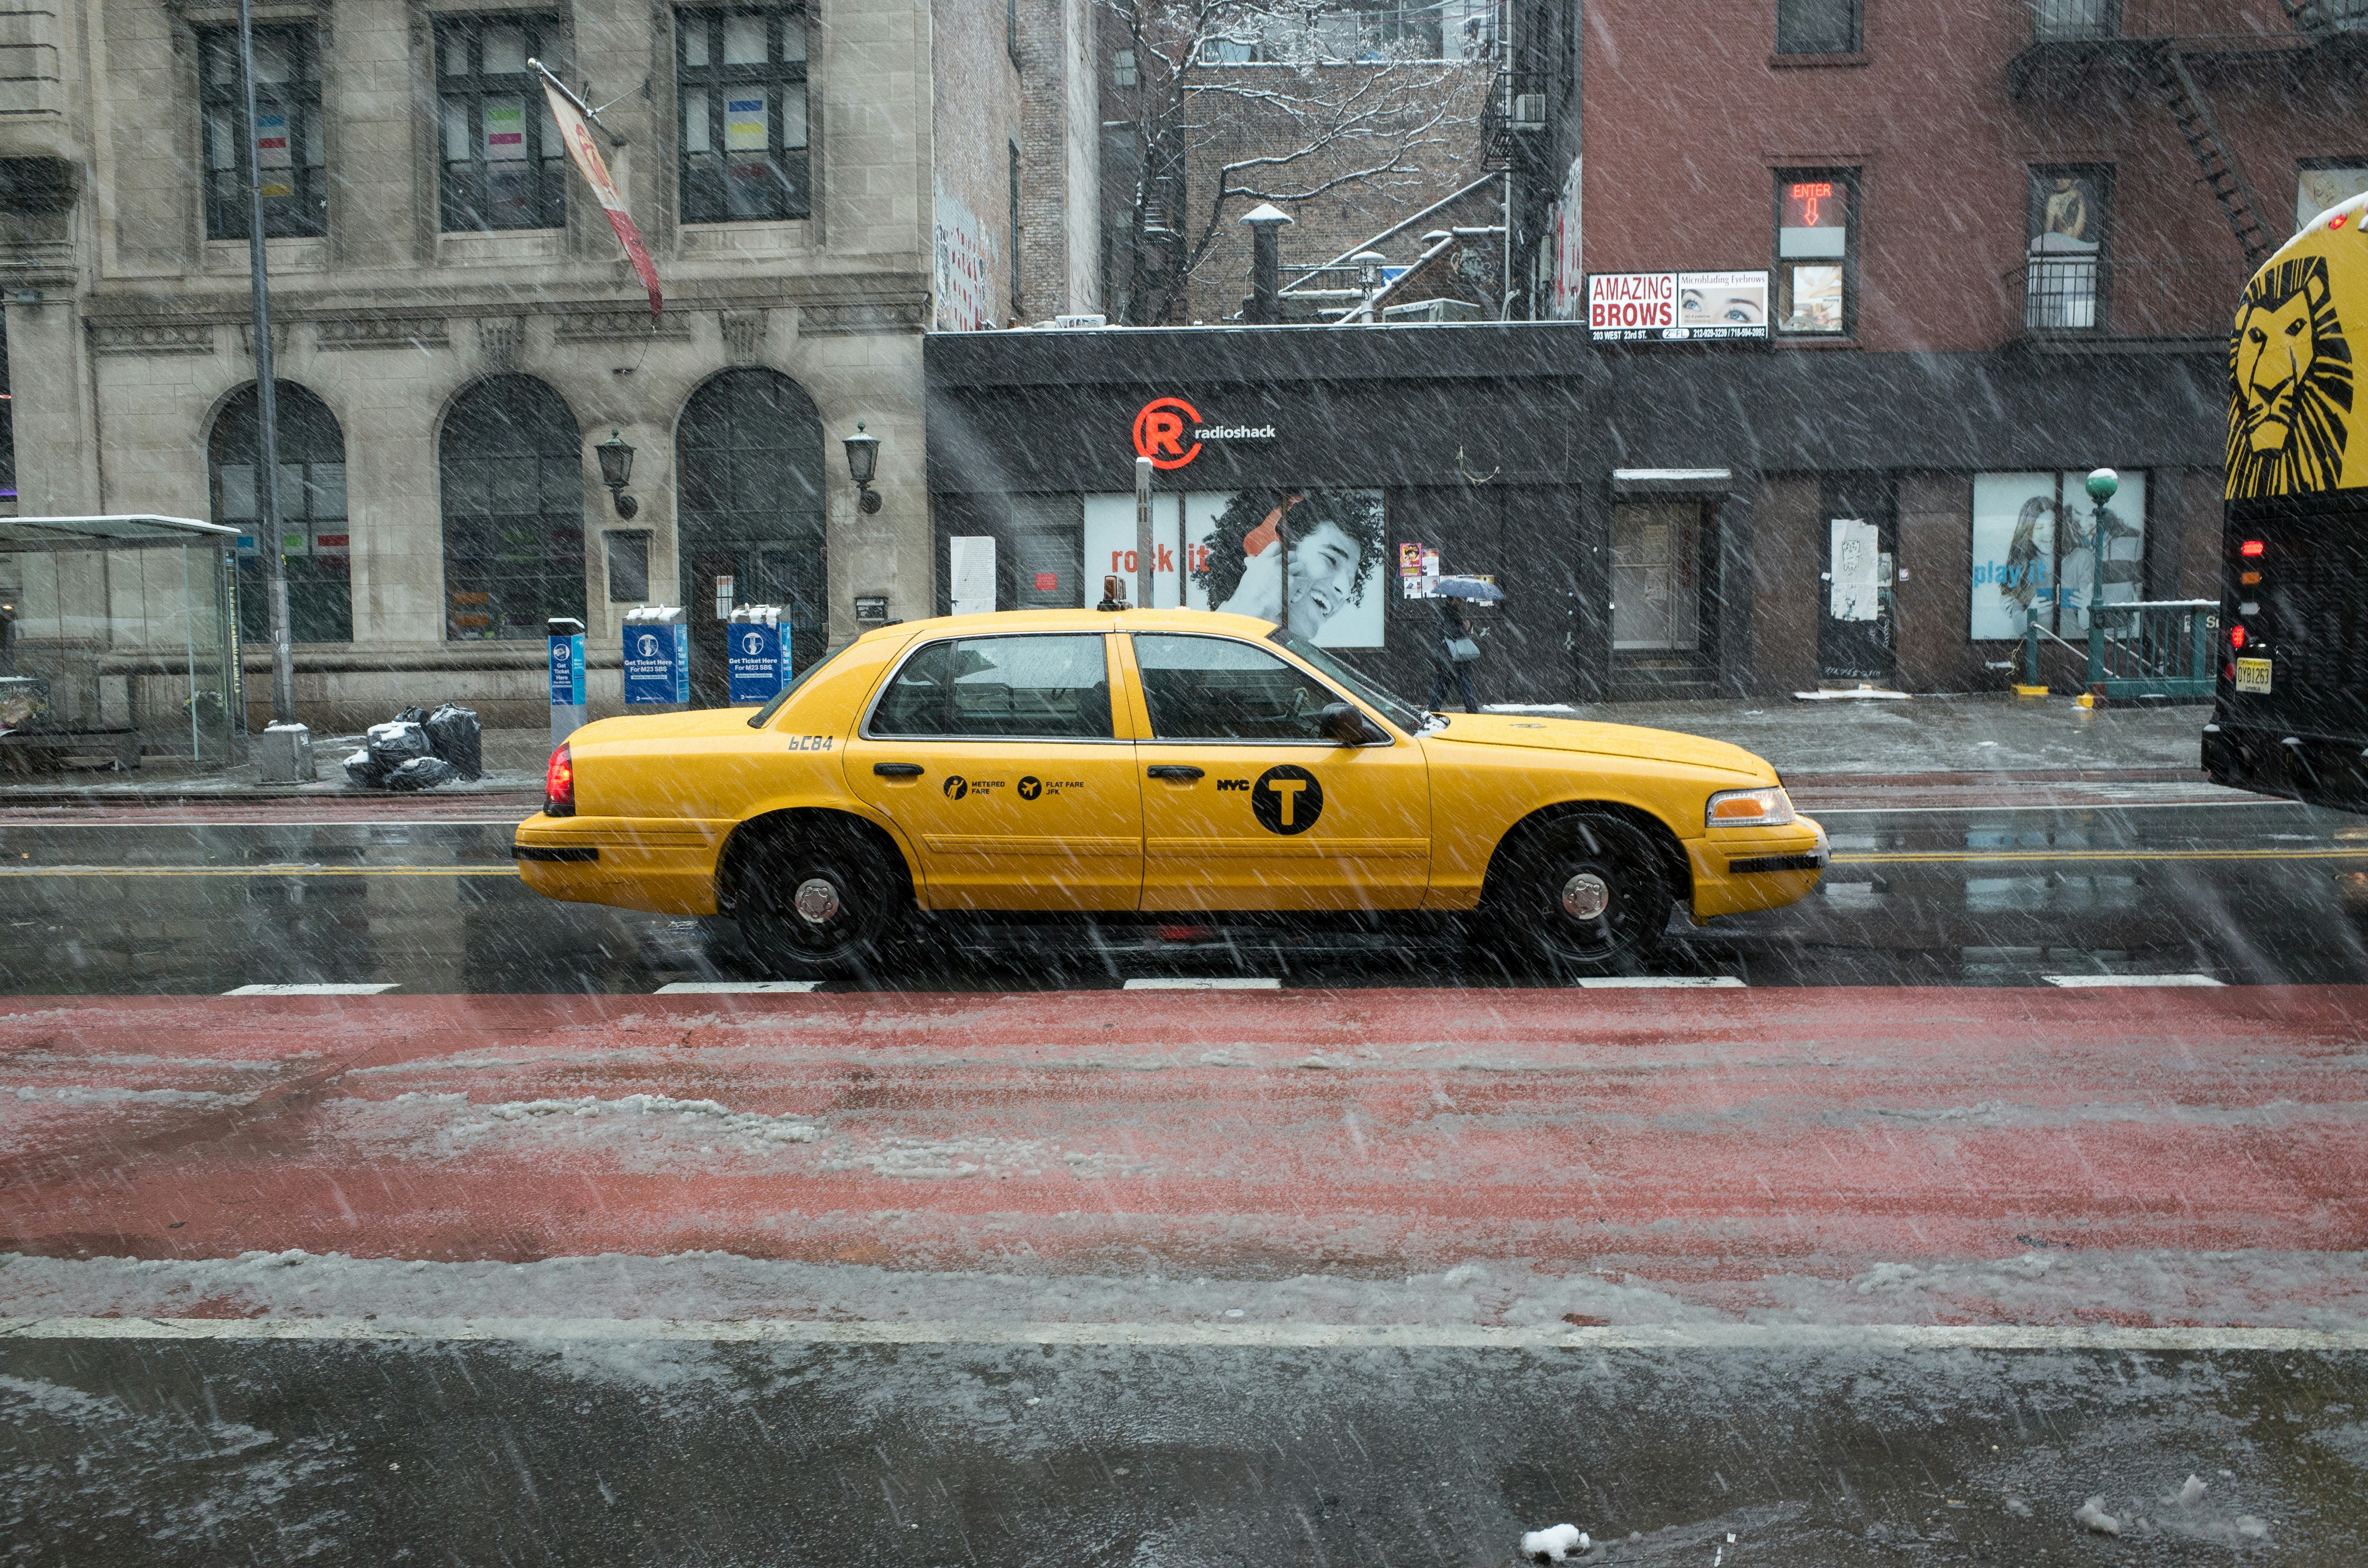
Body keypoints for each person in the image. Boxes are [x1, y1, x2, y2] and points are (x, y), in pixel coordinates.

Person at [1192, 490, 1385, 641]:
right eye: (1331, 560)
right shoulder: (1192, 646)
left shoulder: (1294, 666)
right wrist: (1255, 605)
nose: (1346, 591)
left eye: (1351, 582)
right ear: (1266, 548)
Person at [1427, 594, 1480, 713]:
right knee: (1464, 689)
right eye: (1458, 598)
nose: (1460, 601)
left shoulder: (1450, 613)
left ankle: (1432, 713)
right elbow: (1452, 633)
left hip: (1448, 659)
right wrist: (1465, 628)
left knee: (1441, 689)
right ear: (1452, 599)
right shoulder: (1450, 614)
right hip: (1454, 660)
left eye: (1460, 599)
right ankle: (1473, 713)